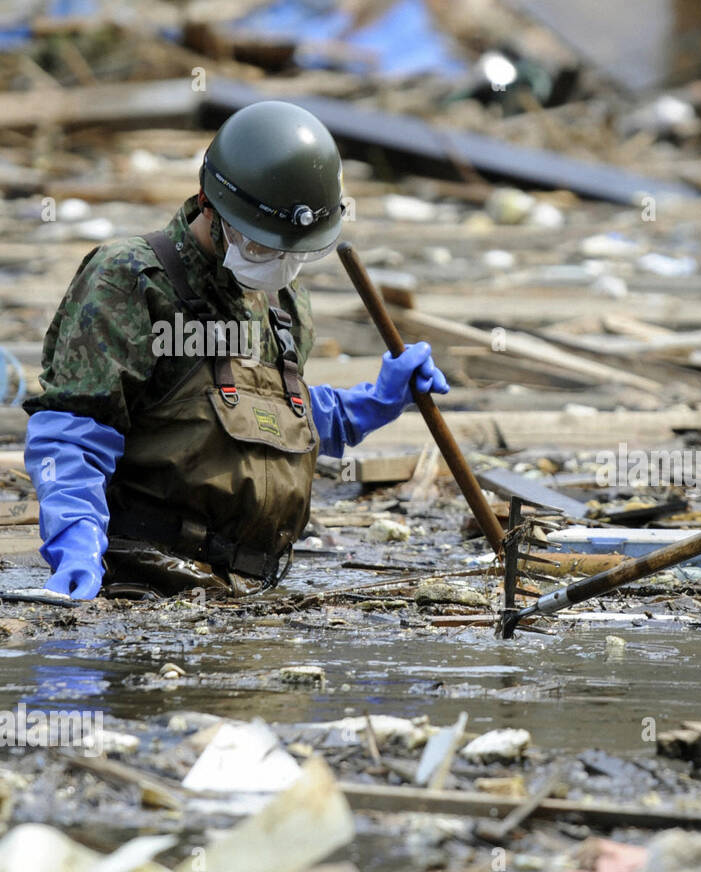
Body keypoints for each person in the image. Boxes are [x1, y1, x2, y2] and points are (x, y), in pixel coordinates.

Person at [23, 100, 449, 600]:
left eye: (298, 250)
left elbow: (264, 419)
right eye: (266, 246)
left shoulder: (284, 299)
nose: (282, 264)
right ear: (210, 205)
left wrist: (371, 405)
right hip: (147, 582)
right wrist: (75, 542)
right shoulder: (132, 279)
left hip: (253, 592)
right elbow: (72, 434)